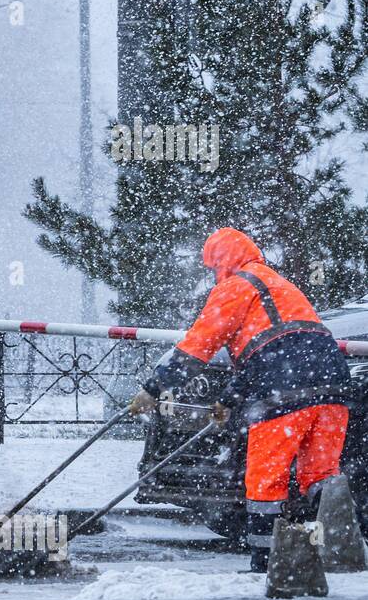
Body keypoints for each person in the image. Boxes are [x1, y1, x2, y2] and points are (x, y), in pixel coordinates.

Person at [132, 228, 350, 572]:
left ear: (220, 261)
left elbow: (197, 347)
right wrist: (230, 400)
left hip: (283, 391)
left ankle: (265, 562)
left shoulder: (235, 286)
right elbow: (271, 348)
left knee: (266, 480)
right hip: (332, 385)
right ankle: (338, 547)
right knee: (320, 476)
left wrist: (154, 389)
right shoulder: (281, 286)